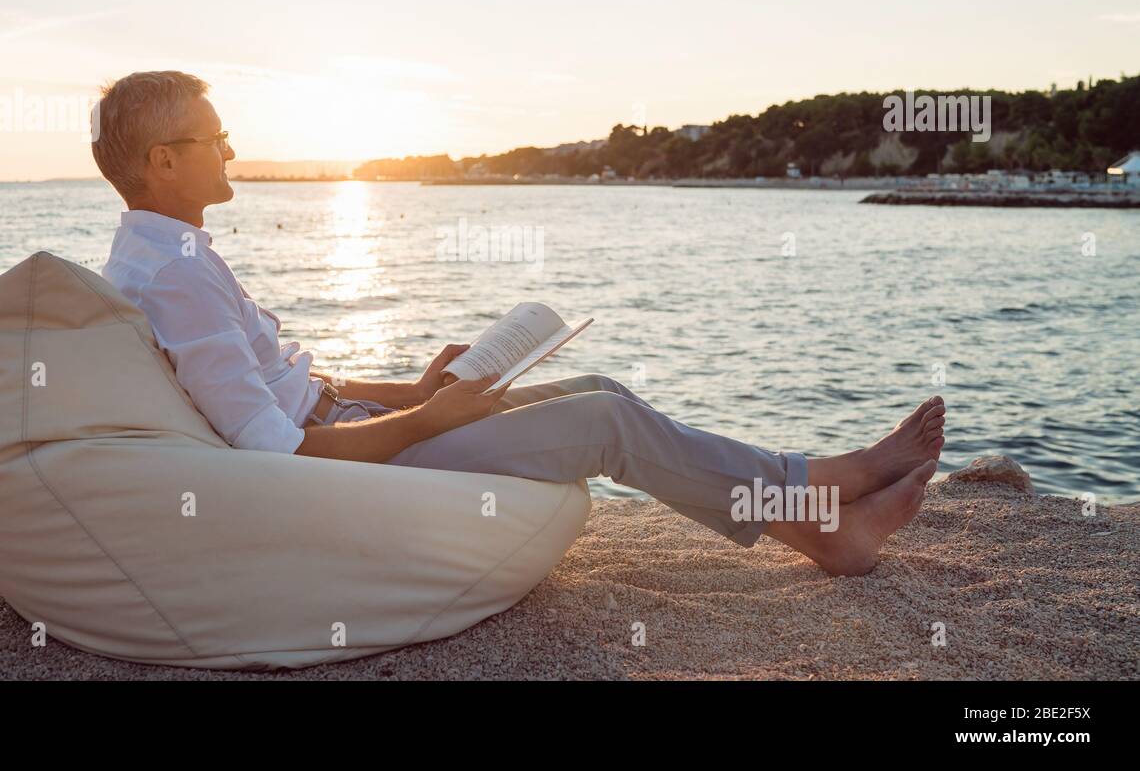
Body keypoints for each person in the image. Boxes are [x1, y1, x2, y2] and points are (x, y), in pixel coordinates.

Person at [92, 71, 945, 577]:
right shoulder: (174, 277)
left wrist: (415, 390)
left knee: (596, 388)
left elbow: (294, 394)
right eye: (215, 138)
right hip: (349, 471)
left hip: (355, 428)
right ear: (163, 160)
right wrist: (427, 421)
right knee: (606, 421)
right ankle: (831, 478)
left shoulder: (174, 257)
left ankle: (824, 534)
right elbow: (274, 452)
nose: (232, 152)